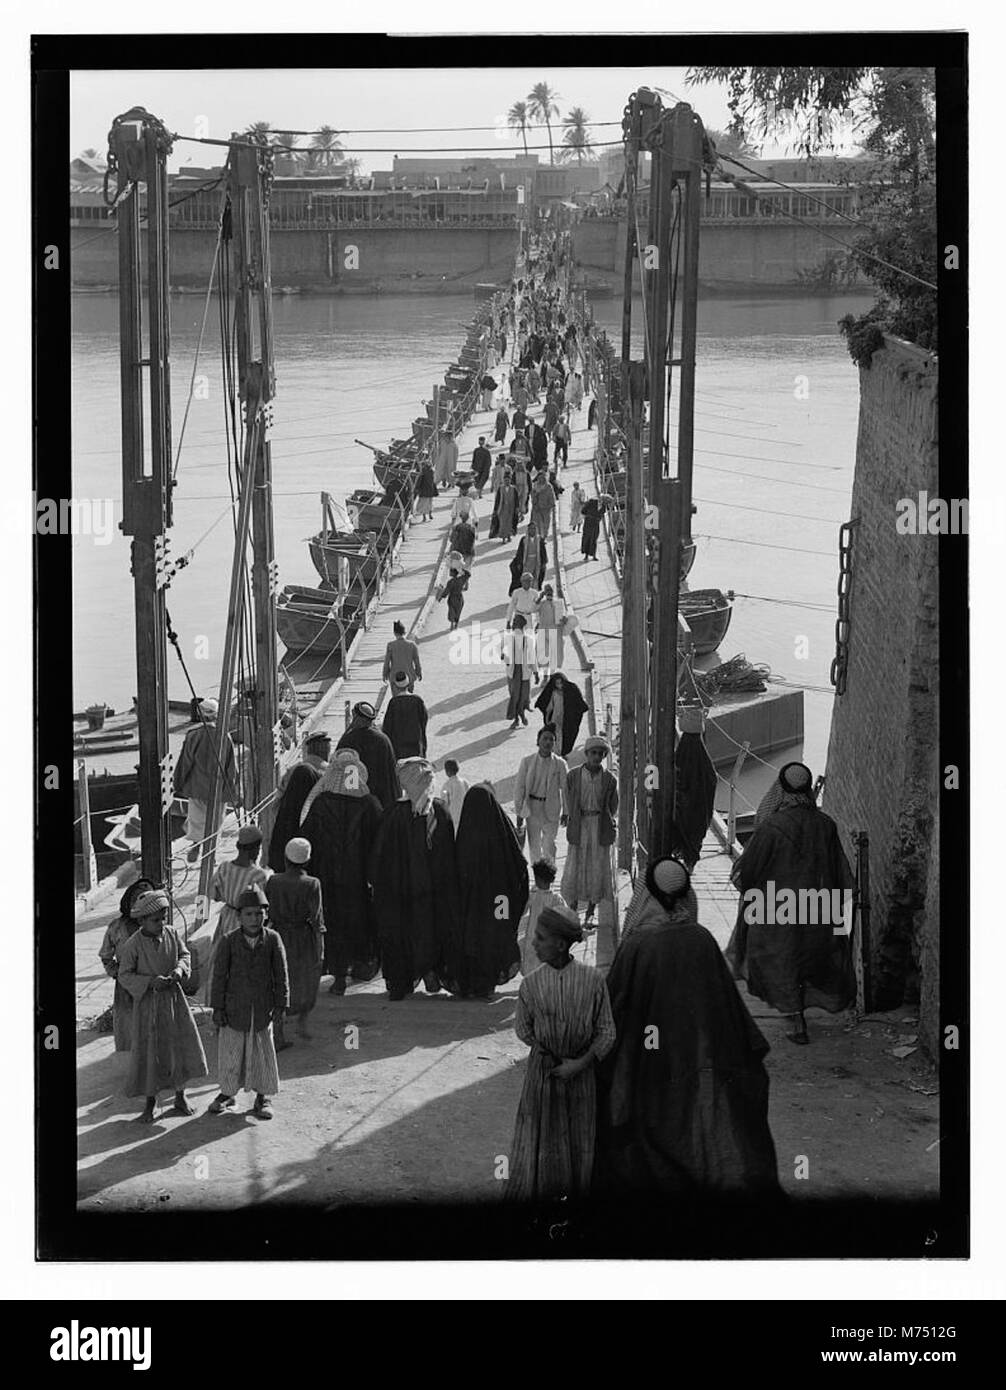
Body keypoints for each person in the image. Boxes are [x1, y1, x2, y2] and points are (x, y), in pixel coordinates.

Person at [596, 858, 781, 1196]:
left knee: (651, 1126)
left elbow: (613, 1009)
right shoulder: (702, 940)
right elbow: (728, 1011)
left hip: (650, 1058)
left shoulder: (638, 946)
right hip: (693, 1057)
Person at [726, 763, 855, 1045]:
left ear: (781, 789)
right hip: (816, 907)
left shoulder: (772, 826)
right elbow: (839, 873)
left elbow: (747, 872)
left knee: (781, 960)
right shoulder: (825, 825)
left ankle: (795, 1019)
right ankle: (798, 1014)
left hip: (776, 907)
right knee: (806, 957)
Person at [507, 907, 616, 1201]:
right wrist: (554, 1056)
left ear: (560, 944)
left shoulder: (593, 981)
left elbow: (607, 1030)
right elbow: (523, 1030)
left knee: (578, 1140)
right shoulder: (530, 984)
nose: (533, 944)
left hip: (580, 1077)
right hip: (544, 1077)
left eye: (540, 939)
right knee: (541, 1140)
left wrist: (579, 1063)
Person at [368, 758, 458, 1001]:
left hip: (399, 894)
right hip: (430, 892)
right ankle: (430, 974)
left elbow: (379, 856)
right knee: (429, 931)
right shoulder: (438, 811)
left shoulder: (394, 814)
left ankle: (401, 983)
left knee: (400, 935)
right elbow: (449, 853)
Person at [117, 890, 208, 1124]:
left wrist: (179, 969)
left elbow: (184, 954)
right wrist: (149, 983)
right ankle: (151, 1101)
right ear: (142, 921)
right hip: (147, 1006)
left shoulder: (172, 933)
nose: (161, 924)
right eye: (155, 920)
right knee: (150, 1052)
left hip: (173, 1002)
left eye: (163, 918)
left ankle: (180, 1096)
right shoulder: (132, 945)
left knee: (177, 1047)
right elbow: (124, 975)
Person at [300, 750, 383, 995]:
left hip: (327, 880)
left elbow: (306, 841)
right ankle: (359, 966)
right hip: (358, 881)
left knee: (332, 925)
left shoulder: (322, 803)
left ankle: (337, 975)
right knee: (358, 922)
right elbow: (380, 844)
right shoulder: (370, 804)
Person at [209, 883, 289, 1120]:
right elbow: (219, 976)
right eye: (249, 914)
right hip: (234, 1009)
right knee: (231, 1053)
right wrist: (218, 1008)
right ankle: (227, 1094)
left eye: (259, 913)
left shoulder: (273, 939)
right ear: (239, 916)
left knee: (262, 1052)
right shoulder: (229, 941)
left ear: (266, 913)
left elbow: (281, 974)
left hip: (262, 1009)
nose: (255, 919)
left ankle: (263, 1096)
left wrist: (280, 1005)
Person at [444, 783, 529, 999]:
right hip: (500, 903)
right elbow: (519, 866)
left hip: (472, 908)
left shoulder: (465, 834)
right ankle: (487, 984)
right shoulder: (501, 830)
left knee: (472, 939)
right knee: (496, 936)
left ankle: (472, 984)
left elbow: (454, 875)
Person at [265, 838, 325, 1047]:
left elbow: (266, 911)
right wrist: (320, 948)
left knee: (278, 980)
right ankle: (302, 1021)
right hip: (303, 937)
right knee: (306, 979)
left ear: (285, 858)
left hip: (278, 934)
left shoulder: (273, 881)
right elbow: (317, 920)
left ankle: (278, 1031)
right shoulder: (312, 884)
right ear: (307, 861)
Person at [562, 736, 618, 927]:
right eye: (593, 753)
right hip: (580, 824)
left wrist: (606, 820)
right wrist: (571, 816)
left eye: (600, 754)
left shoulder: (610, 780)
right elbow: (568, 798)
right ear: (586, 754)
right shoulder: (573, 775)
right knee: (576, 864)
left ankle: (591, 912)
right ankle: (573, 908)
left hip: (598, 825)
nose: (596, 757)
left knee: (597, 867)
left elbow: (613, 806)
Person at [175, 698, 239, 863]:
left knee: (196, 821)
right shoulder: (225, 736)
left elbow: (185, 762)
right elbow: (231, 767)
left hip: (197, 787)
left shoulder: (193, 735)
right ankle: (210, 855)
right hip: (218, 788)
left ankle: (196, 845)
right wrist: (232, 791)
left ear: (200, 713)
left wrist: (178, 784)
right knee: (215, 823)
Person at [98, 876, 153, 1053]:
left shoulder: (156, 926)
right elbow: (106, 955)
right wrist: (117, 973)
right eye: (136, 900)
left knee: (152, 1025)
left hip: (151, 982)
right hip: (126, 985)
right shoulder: (117, 927)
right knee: (128, 1026)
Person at [263, 732, 330, 872]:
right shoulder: (331, 773)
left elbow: (276, 805)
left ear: (308, 750)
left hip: (289, 832)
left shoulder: (294, 770)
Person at [514, 725, 569, 864]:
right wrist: (519, 812)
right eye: (545, 739)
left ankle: (548, 876)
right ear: (538, 741)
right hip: (532, 808)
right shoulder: (527, 762)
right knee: (534, 845)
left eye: (551, 739)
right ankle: (538, 878)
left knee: (549, 845)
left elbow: (566, 789)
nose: (548, 742)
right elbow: (519, 788)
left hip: (552, 808)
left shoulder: (560, 764)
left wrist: (566, 812)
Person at [336, 701, 402, 810]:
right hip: (382, 802)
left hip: (357, 805)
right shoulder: (383, 739)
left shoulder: (348, 740)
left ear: (356, 717)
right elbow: (391, 776)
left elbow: (341, 772)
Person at [212, 824, 270, 943]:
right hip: (247, 923)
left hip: (226, 919)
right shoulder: (258, 875)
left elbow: (214, 895)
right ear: (255, 849)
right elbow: (263, 905)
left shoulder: (224, 867)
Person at [517, 860, 571, 977]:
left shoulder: (533, 895)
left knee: (532, 962)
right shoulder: (556, 898)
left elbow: (523, 911)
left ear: (537, 879)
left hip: (533, 935)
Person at [534, 671, 587, 757]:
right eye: (557, 683)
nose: (559, 685)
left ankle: (562, 753)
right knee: (556, 736)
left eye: (560, 683)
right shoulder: (554, 693)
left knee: (566, 736)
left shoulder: (571, 690)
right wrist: (547, 719)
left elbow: (578, 704)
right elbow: (549, 707)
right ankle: (556, 754)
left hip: (567, 719)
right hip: (555, 718)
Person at [381, 671, 429, 760]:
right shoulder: (417, 701)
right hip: (415, 744)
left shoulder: (393, 703)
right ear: (408, 684)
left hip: (398, 747)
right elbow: (424, 721)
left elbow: (387, 726)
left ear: (395, 686)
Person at [504, 614, 536, 730]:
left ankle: (521, 714)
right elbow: (504, 652)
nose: (514, 625)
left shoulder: (529, 640)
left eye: (515, 623)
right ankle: (518, 717)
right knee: (514, 696)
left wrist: (535, 671)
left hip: (524, 671)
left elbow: (532, 656)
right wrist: (505, 658)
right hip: (513, 671)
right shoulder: (509, 638)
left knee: (523, 696)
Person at [533, 584, 567, 677]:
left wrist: (564, 620)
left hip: (555, 631)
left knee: (554, 655)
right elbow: (533, 608)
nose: (549, 594)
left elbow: (563, 617)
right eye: (547, 592)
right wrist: (540, 597)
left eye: (550, 592)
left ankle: (552, 676)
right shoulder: (542, 603)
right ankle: (545, 676)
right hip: (543, 630)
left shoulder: (558, 604)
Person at [382, 620, 422, 691]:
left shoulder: (391, 645)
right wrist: (418, 672)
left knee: (396, 700)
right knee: (409, 699)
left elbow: (387, 663)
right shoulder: (412, 645)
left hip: (395, 677)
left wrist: (385, 674)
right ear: (404, 632)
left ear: (394, 633)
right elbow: (417, 662)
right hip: (409, 676)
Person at [509, 528, 547, 596]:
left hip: (536, 563)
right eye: (530, 529)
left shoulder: (539, 539)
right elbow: (520, 551)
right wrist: (519, 562)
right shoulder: (524, 540)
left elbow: (543, 551)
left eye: (533, 529)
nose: (532, 531)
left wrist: (544, 562)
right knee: (525, 579)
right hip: (526, 563)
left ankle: (533, 594)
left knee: (535, 579)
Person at [438, 758, 470, 832]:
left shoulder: (446, 785)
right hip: (464, 815)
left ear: (446, 771)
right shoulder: (464, 782)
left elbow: (444, 802)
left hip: (452, 816)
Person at [489, 469, 518, 543]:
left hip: (510, 509)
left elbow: (516, 499)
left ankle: (508, 536)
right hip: (502, 509)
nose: (507, 481)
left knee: (509, 523)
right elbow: (498, 499)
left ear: (510, 480)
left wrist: (517, 508)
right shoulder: (500, 488)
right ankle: (503, 538)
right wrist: (495, 509)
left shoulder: (513, 489)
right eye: (505, 480)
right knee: (502, 523)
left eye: (508, 480)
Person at [529, 469, 556, 540]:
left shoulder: (548, 486)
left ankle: (544, 537)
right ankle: (537, 537)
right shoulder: (535, 486)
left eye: (542, 478)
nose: (541, 479)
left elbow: (552, 496)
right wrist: (534, 502)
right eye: (539, 478)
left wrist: (552, 504)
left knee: (545, 524)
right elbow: (532, 495)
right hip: (537, 508)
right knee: (536, 523)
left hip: (546, 508)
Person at [580, 495, 603, 560]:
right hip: (588, 523)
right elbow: (583, 511)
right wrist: (588, 516)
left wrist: (599, 518)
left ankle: (594, 555)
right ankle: (586, 556)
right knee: (587, 538)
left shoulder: (604, 506)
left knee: (594, 539)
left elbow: (602, 514)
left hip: (596, 524)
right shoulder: (592, 502)